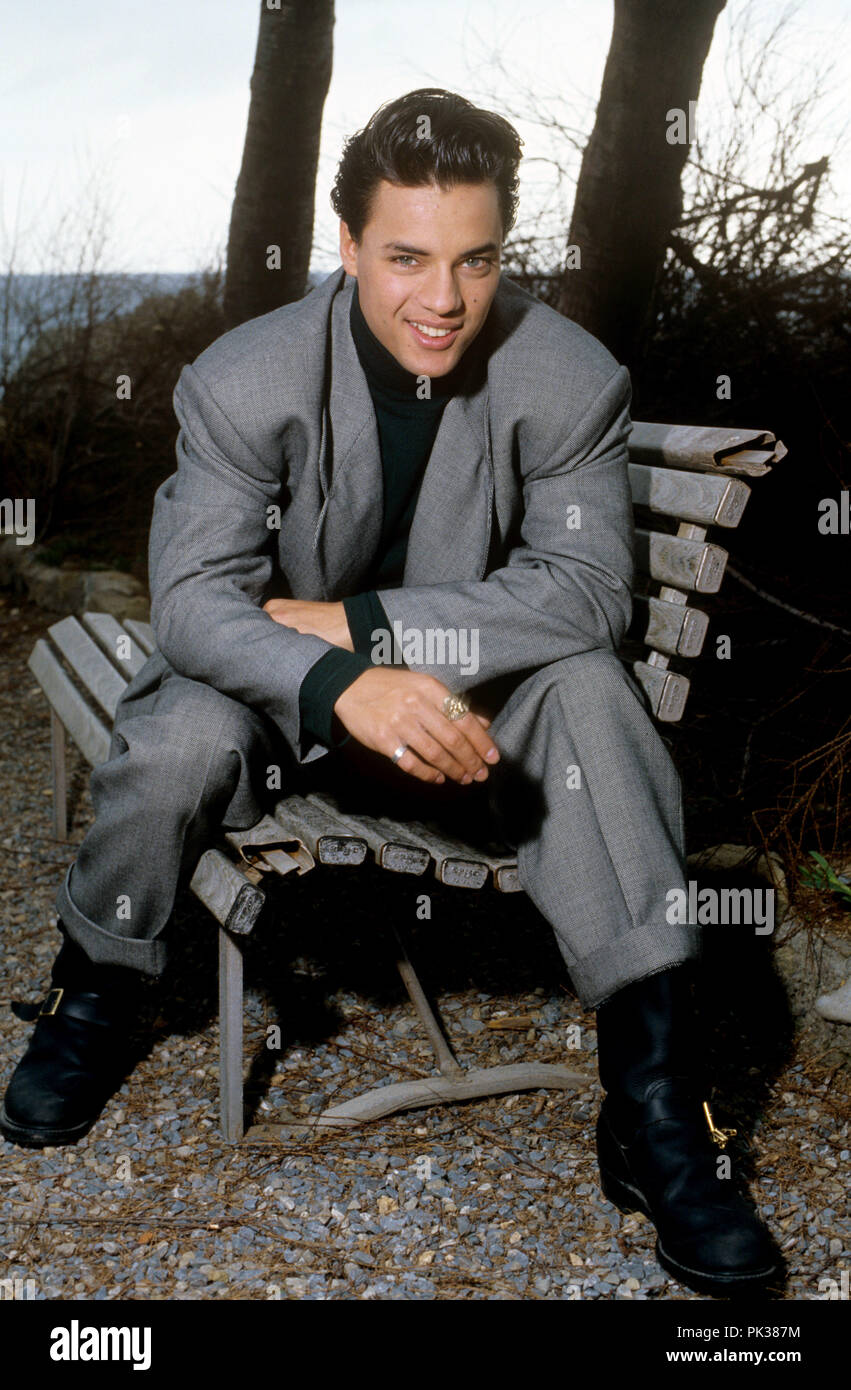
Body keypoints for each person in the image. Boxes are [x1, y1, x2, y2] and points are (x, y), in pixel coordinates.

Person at [1, 88, 781, 1298]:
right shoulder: (241, 379)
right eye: (406, 257)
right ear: (349, 246)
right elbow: (200, 603)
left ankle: (655, 1111)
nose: (444, 298)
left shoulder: (569, 378)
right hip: (277, 698)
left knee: (587, 692)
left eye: (476, 258)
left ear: (504, 248)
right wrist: (335, 680)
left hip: (469, 710)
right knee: (175, 742)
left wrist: (369, 629)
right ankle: (97, 986)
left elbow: (583, 595)